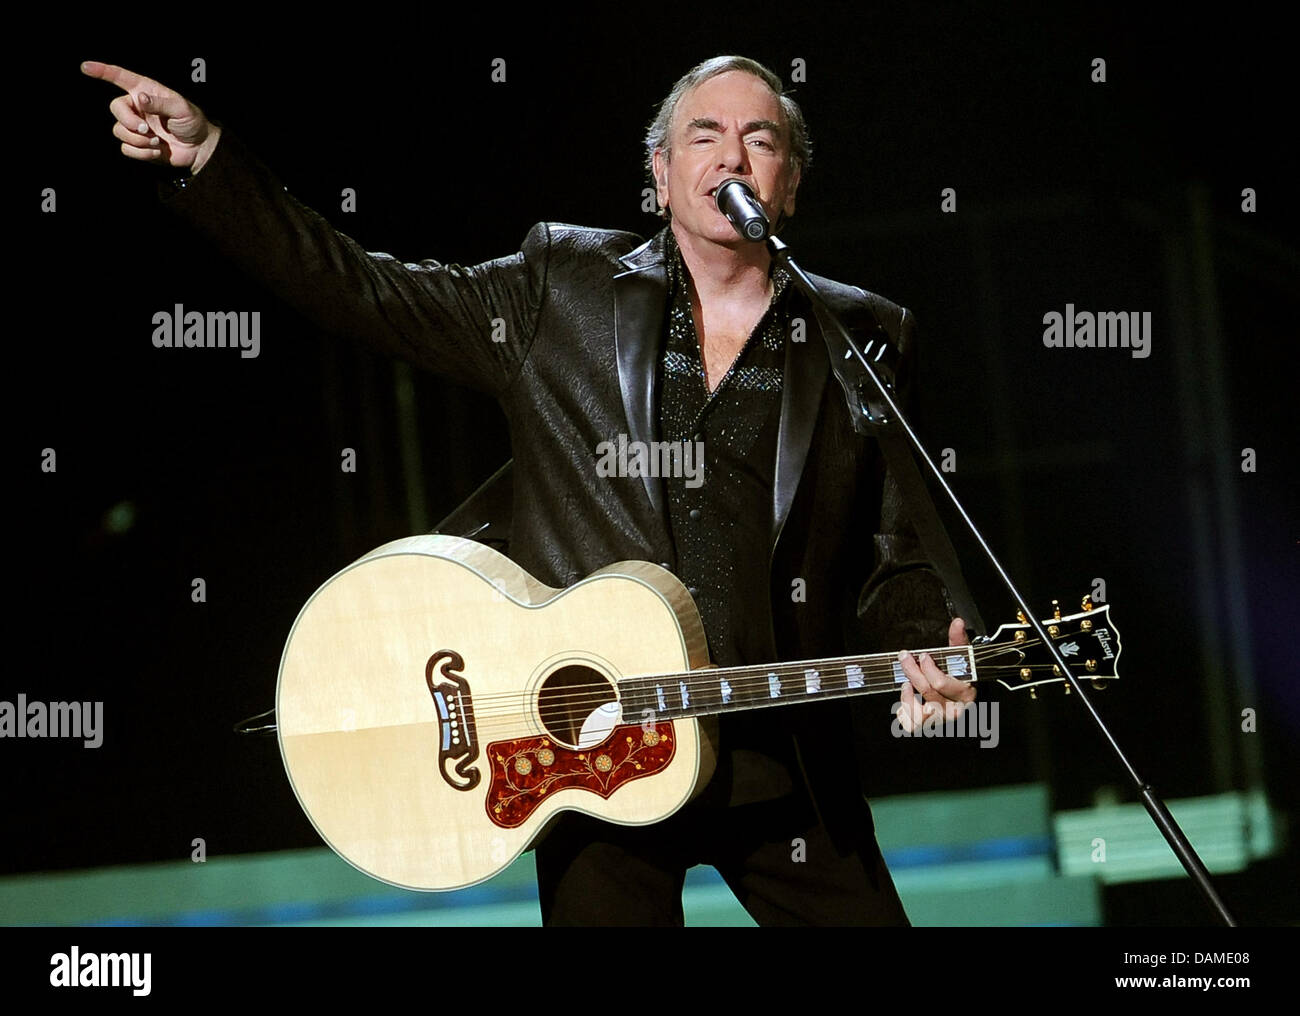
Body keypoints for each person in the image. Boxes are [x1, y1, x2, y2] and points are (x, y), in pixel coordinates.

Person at [82, 54, 978, 926]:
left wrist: (927, 649)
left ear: (789, 186)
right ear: (660, 175)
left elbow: (900, 549)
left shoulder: (858, 332)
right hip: (594, 760)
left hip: (780, 761)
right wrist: (210, 165)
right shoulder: (563, 287)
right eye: (704, 135)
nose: (732, 156)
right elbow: (363, 289)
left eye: (761, 140)